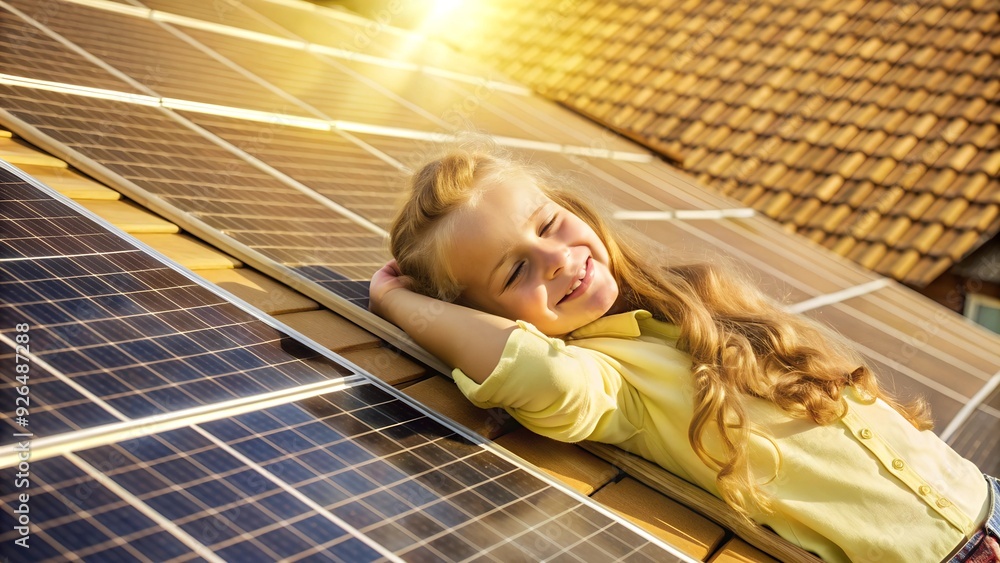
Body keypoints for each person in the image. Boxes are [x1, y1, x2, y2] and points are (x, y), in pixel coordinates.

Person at [369, 148, 999, 563]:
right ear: (491, 315)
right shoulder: (611, 382)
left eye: (548, 224)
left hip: (983, 491)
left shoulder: (689, 296)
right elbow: (538, 375)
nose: (558, 257)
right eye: (515, 272)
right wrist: (397, 302)